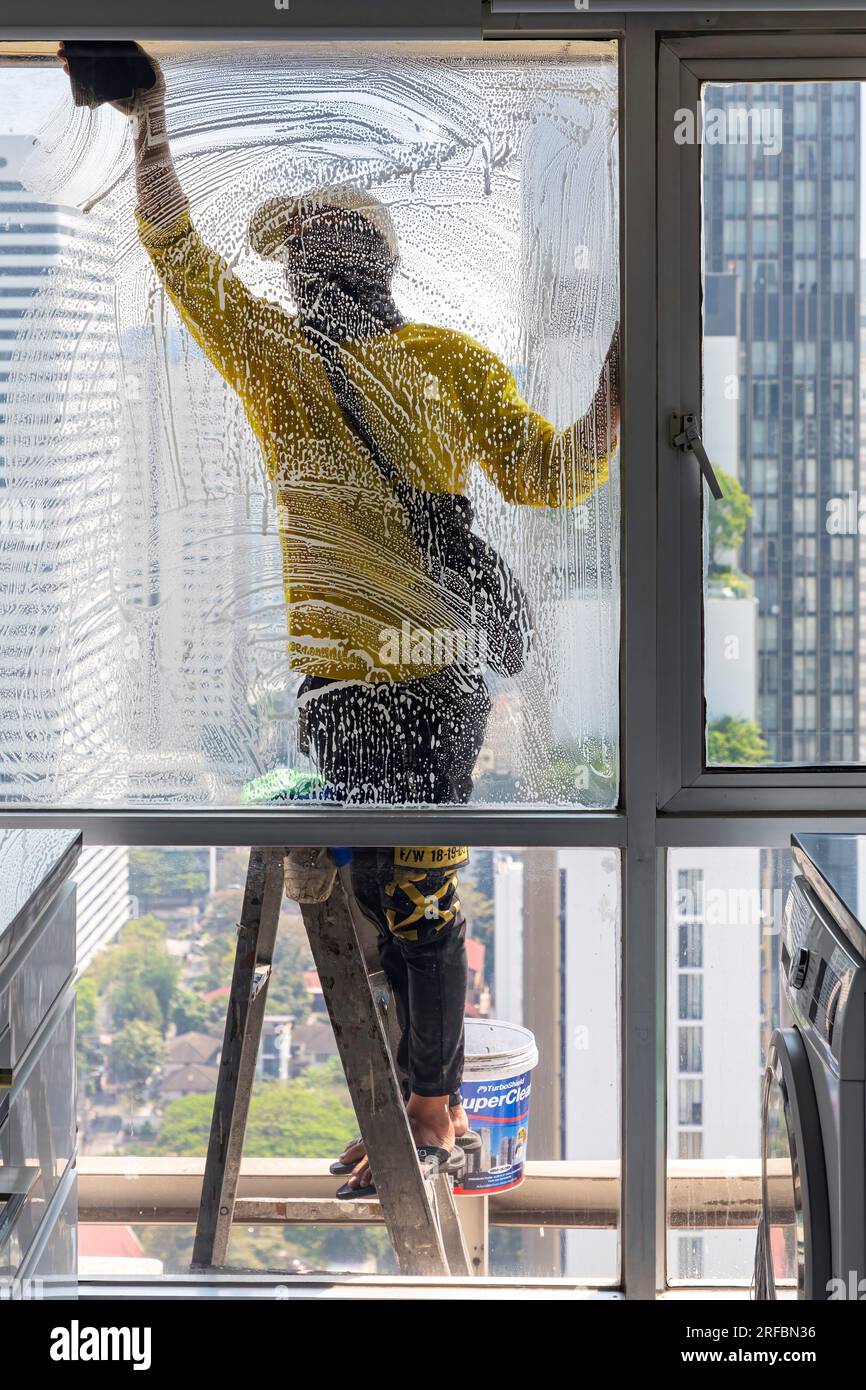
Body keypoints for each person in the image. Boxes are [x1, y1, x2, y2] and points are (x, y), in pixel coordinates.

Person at [57, 43, 619, 1195]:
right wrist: (619, 393)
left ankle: (430, 1108)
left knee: (413, 897)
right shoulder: (358, 362)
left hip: (394, 684)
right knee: (384, 897)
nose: (315, 273)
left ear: (350, 269)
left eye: (321, 254)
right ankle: (419, 1100)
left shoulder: (302, 361)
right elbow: (554, 476)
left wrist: (154, 119)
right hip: (386, 684)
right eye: (314, 257)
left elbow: (174, 252)